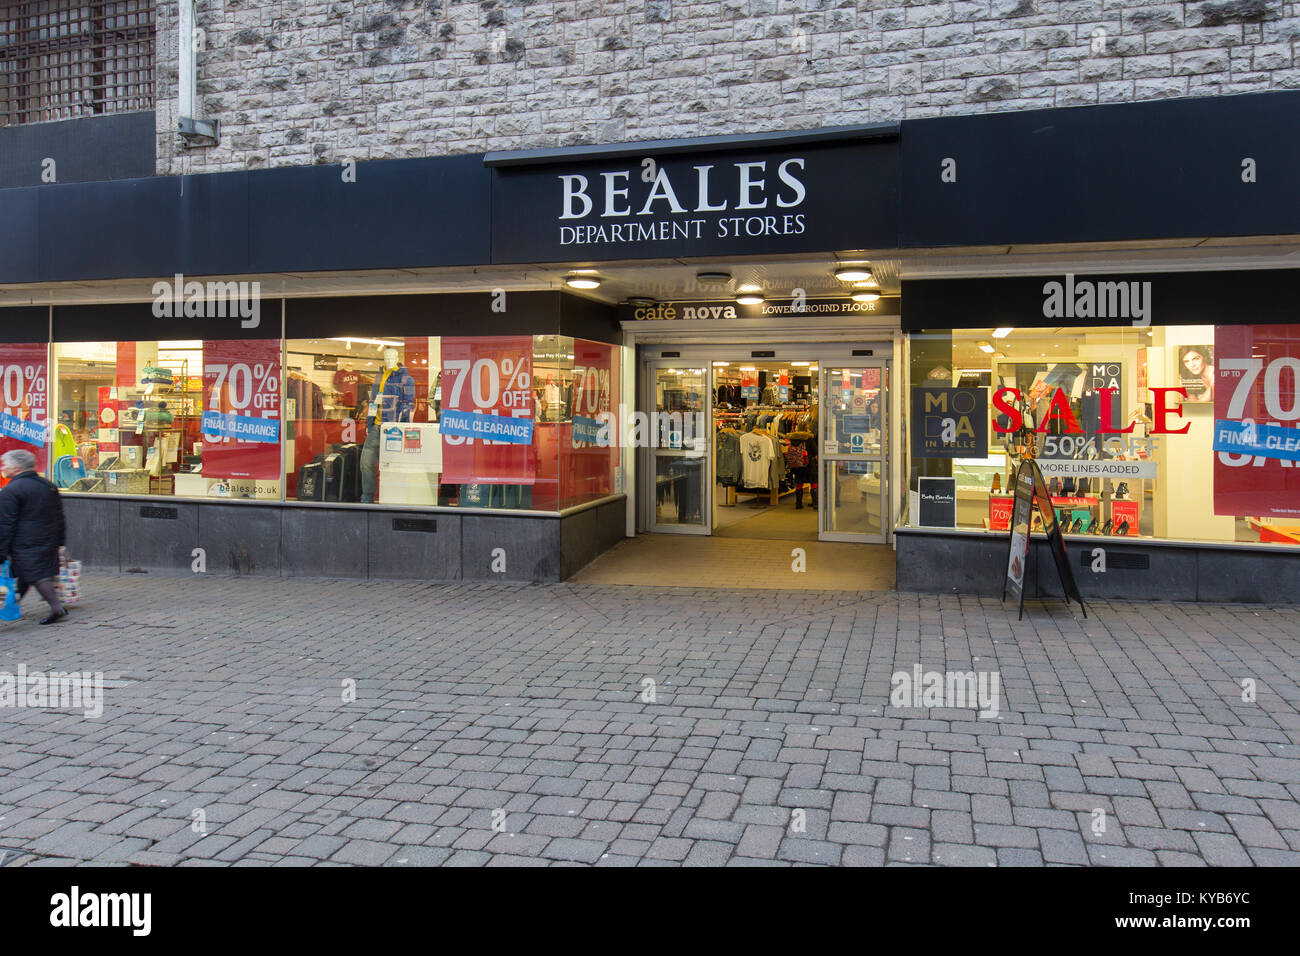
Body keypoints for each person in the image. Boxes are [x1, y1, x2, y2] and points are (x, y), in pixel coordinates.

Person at [0, 449, 69, 625]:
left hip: (25, 541)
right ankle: (11, 605)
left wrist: (1, 549)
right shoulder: (47, 485)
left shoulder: (11, 490)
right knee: (28, 573)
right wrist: (60, 542)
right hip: (47, 537)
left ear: (16, 468)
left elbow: (5, 523)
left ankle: (56, 608)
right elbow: (60, 516)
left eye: (5, 464)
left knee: (37, 575)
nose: (3, 467)